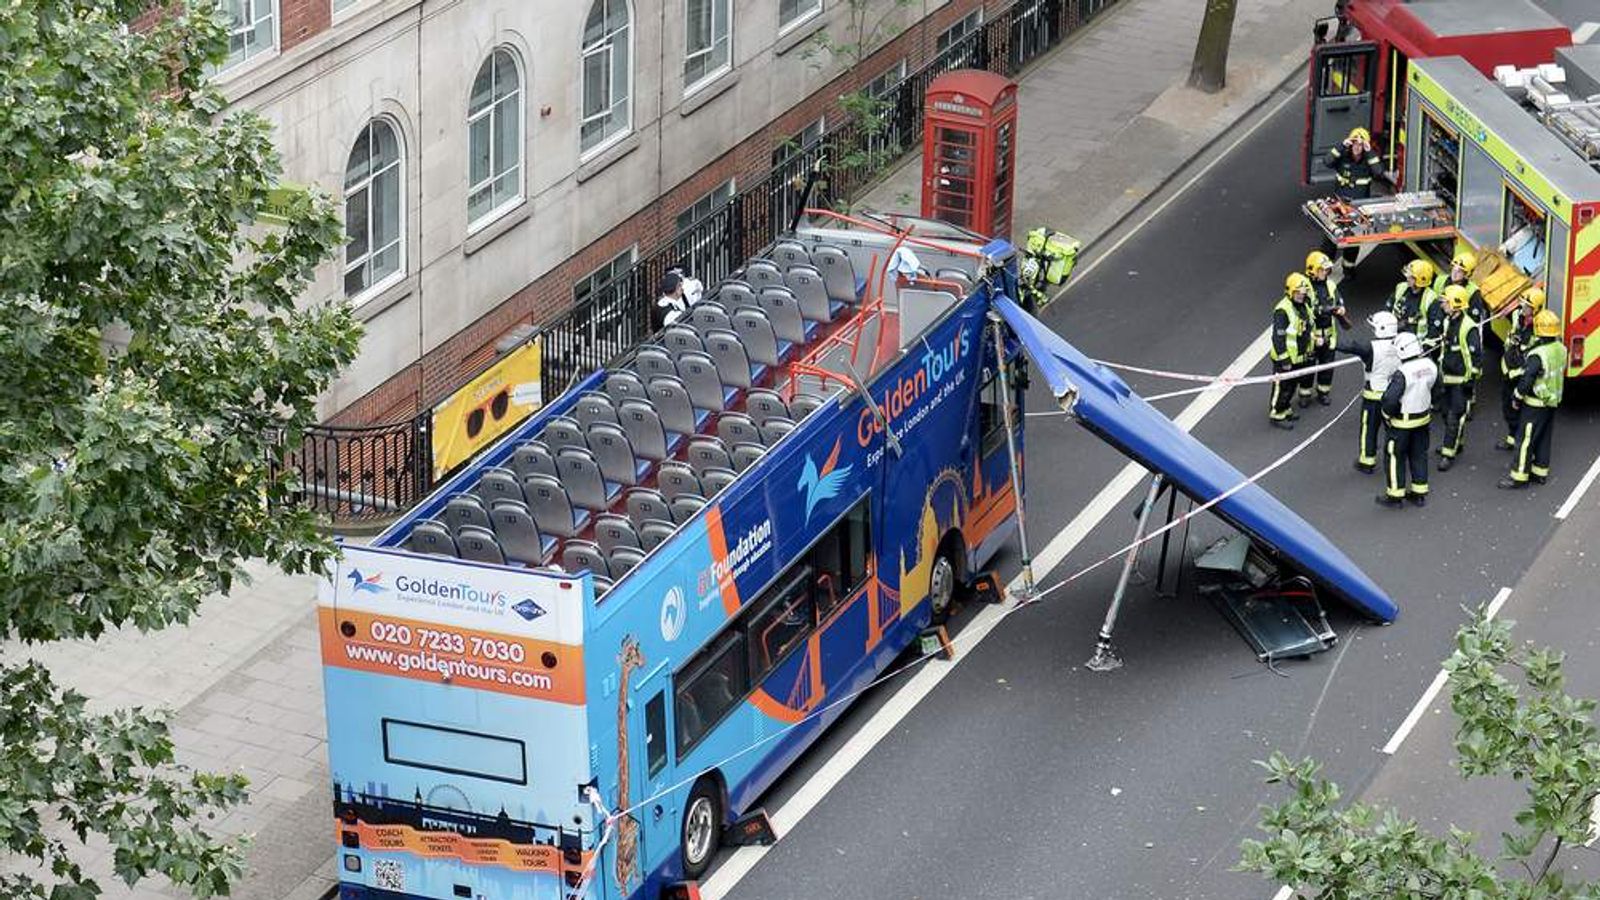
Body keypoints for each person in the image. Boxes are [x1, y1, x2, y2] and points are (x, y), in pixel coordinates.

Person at [1498, 309, 1566, 490]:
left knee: (1525, 440)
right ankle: (1540, 472)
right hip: (1552, 402)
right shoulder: (1561, 349)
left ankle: (1518, 477)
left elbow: (1528, 378)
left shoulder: (1538, 354)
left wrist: (1517, 397)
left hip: (1535, 404)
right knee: (1544, 437)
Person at [1335, 310, 1401, 473]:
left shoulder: (1371, 347)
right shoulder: (1403, 344)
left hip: (1373, 398)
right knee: (1394, 430)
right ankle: (1397, 458)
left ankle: (1367, 462)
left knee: (1369, 429)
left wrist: (1324, 342)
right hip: (1394, 396)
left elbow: (1349, 346)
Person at [1378, 331, 1437, 507]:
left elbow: (1389, 399)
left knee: (1395, 456)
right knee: (1419, 454)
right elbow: (1438, 388)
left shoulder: (1402, 373)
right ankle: (1419, 493)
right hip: (1423, 419)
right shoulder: (1430, 365)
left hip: (1401, 423)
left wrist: (1388, 415)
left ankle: (1395, 496)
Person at [1435, 286, 1482, 472]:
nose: (1443, 304)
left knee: (1455, 416)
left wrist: (1471, 380)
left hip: (1461, 381)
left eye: (1446, 301)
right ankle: (1457, 442)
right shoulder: (1448, 322)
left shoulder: (1468, 327)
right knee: (1446, 414)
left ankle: (1448, 453)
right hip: (1447, 378)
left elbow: (1475, 356)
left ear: (1455, 304)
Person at [1498, 286, 1544, 452]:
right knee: (1507, 407)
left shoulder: (1539, 328)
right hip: (1509, 370)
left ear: (1536, 309)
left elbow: (1533, 357)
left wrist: (1518, 372)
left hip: (1522, 374)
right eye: (1522, 304)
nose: (1523, 308)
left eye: (1527, 306)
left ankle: (1520, 441)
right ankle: (1512, 438)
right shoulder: (1518, 316)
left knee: (1520, 409)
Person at [1269, 273, 1315, 429]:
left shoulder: (1304, 306)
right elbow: (1278, 338)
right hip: (1286, 360)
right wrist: (1284, 359)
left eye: (1303, 293)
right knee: (1281, 387)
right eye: (1298, 293)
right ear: (1290, 292)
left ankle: (1285, 408)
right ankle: (1276, 413)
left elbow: (1307, 329)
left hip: (1299, 357)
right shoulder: (1283, 311)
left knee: (1292, 385)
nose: (1301, 296)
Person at [1305, 250, 1351, 405]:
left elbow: (1339, 300)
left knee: (1327, 367)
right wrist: (1322, 310)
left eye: (1326, 269)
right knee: (1308, 368)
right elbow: (1305, 310)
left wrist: (1340, 309)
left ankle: (1323, 392)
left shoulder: (1330, 285)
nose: (1325, 272)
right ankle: (1305, 394)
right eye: (1322, 270)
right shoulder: (1306, 288)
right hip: (1312, 337)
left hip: (1329, 336)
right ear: (1312, 270)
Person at [1390, 258, 1441, 342]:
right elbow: (1389, 308)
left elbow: (1434, 327)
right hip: (1394, 335)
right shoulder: (1401, 287)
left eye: (1411, 277)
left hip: (1414, 343)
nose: (1407, 278)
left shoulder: (1430, 298)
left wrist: (1425, 345)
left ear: (1420, 280)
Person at [1329, 127, 1383, 200]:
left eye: (1360, 145)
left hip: (1360, 201)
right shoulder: (1343, 156)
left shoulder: (1369, 159)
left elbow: (1378, 172)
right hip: (1340, 199)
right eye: (1355, 144)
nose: (1357, 147)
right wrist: (1342, 146)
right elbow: (1327, 162)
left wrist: (1369, 152)